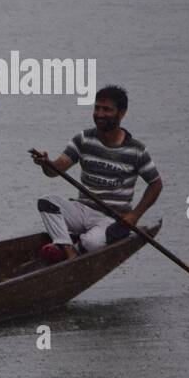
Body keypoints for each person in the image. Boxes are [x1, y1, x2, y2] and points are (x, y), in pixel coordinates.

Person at [31, 85, 162, 260]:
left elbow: (156, 184)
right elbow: (56, 169)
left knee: (93, 244)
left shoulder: (136, 151)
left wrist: (134, 215)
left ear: (121, 113)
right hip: (82, 209)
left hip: (110, 218)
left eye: (107, 110)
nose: (99, 114)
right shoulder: (84, 139)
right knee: (46, 202)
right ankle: (69, 249)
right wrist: (46, 164)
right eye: (97, 108)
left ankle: (74, 246)